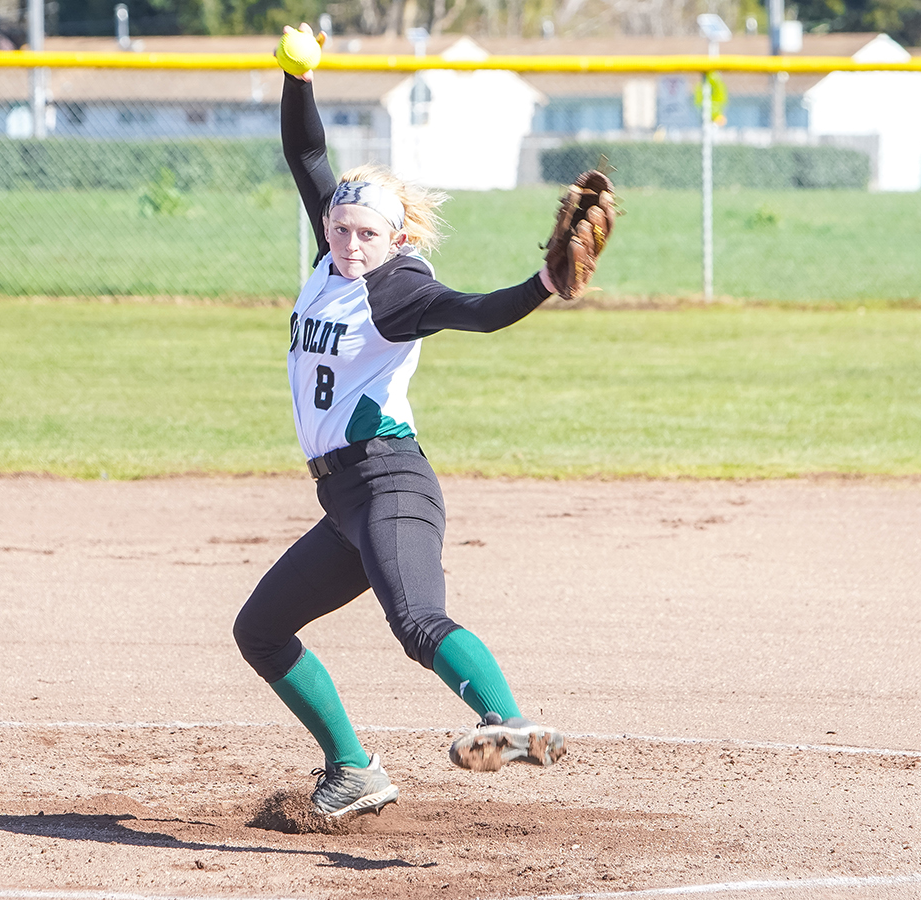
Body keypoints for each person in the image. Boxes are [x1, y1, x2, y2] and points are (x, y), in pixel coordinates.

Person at [231, 25, 567, 820]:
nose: (348, 242)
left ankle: (509, 724)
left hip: (390, 482)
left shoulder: (399, 288)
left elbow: (477, 313)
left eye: (366, 234)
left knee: (417, 623)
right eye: (340, 228)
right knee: (261, 630)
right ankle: (353, 769)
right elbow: (307, 157)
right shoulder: (331, 252)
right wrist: (297, 77)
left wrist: (543, 282)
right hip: (342, 502)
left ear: (398, 238)